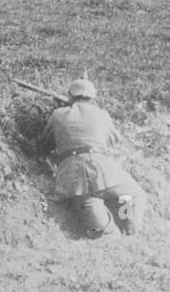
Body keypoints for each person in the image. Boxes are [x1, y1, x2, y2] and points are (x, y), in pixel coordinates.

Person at [40, 77, 145, 238]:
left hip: (74, 181)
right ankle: (130, 228)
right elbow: (113, 140)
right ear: (92, 98)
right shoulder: (101, 114)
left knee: (101, 232)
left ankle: (113, 235)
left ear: (70, 96)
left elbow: (45, 144)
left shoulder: (57, 115)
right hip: (102, 171)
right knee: (131, 194)